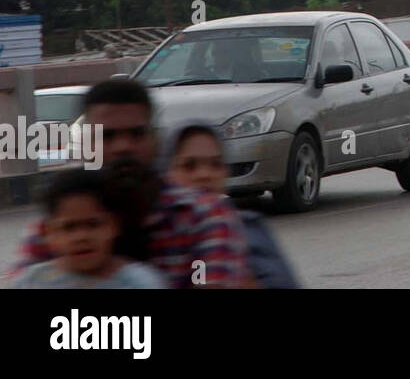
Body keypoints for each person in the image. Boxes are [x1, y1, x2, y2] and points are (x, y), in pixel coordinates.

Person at [9, 79, 251, 288]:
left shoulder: (202, 216)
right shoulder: (57, 224)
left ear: (155, 139)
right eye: (107, 136)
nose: (123, 147)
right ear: (87, 144)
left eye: (136, 134)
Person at [166, 123, 300, 289]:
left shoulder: (248, 231)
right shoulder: (155, 233)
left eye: (216, 164)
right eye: (189, 166)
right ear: (167, 174)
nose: (204, 174)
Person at [10, 168, 167, 289]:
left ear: (114, 226)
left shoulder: (142, 283)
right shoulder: (31, 282)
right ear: (49, 233)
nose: (82, 237)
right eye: (69, 227)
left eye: (93, 224)